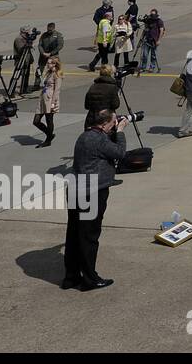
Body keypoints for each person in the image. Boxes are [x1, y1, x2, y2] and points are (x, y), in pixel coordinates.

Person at [63, 107, 127, 291]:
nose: (114, 124)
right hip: (92, 192)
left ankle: (71, 276)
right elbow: (120, 153)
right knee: (89, 236)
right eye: (113, 121)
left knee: (74, 234)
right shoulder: (99, 139)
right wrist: (121, 131)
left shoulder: (85, 136)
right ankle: (90, 279)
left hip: (76, 189)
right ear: (105, 123)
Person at [33, 55, 62, 148]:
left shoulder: (57, 74)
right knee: (36, 121)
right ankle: (50, 135)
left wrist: (54, 102)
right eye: (47, 63)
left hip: (50, 99)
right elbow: (44, 84)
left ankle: (48, 140)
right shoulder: (49, 73)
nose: (47, 65)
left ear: (54, 64)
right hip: (43, 98)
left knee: (49, 119)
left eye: (49, 63)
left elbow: (57, 90)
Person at [83, 65, 120, 130]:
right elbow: (115, 105)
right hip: (106, 120)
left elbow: (87, 106)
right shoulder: (112, 88)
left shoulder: (93, 87)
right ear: (110, 74)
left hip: (92, 119)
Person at [36, 21, 64, 87]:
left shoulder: (58, 35)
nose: (48, 31)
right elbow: (40, 45)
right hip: (43, 55)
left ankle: (55, 82)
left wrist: (51, 53)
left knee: (55, 70)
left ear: (53, 28)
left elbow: (60, 46)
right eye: (48, 29)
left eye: (50, 30)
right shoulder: (44, 35)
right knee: (39, 70)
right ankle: (36, 84)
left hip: (53, 55)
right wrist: (43, 53)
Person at [12, 27, 35, 95]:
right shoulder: (18, 39)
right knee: (16, 76)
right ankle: (11, 91)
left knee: (26, 76)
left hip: (26, 61)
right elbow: (21, 50)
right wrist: (28, 44)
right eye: (26, 33)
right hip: (20, 61)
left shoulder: (25, 38)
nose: (28, 34)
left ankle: (24, 89)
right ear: (22, 32)